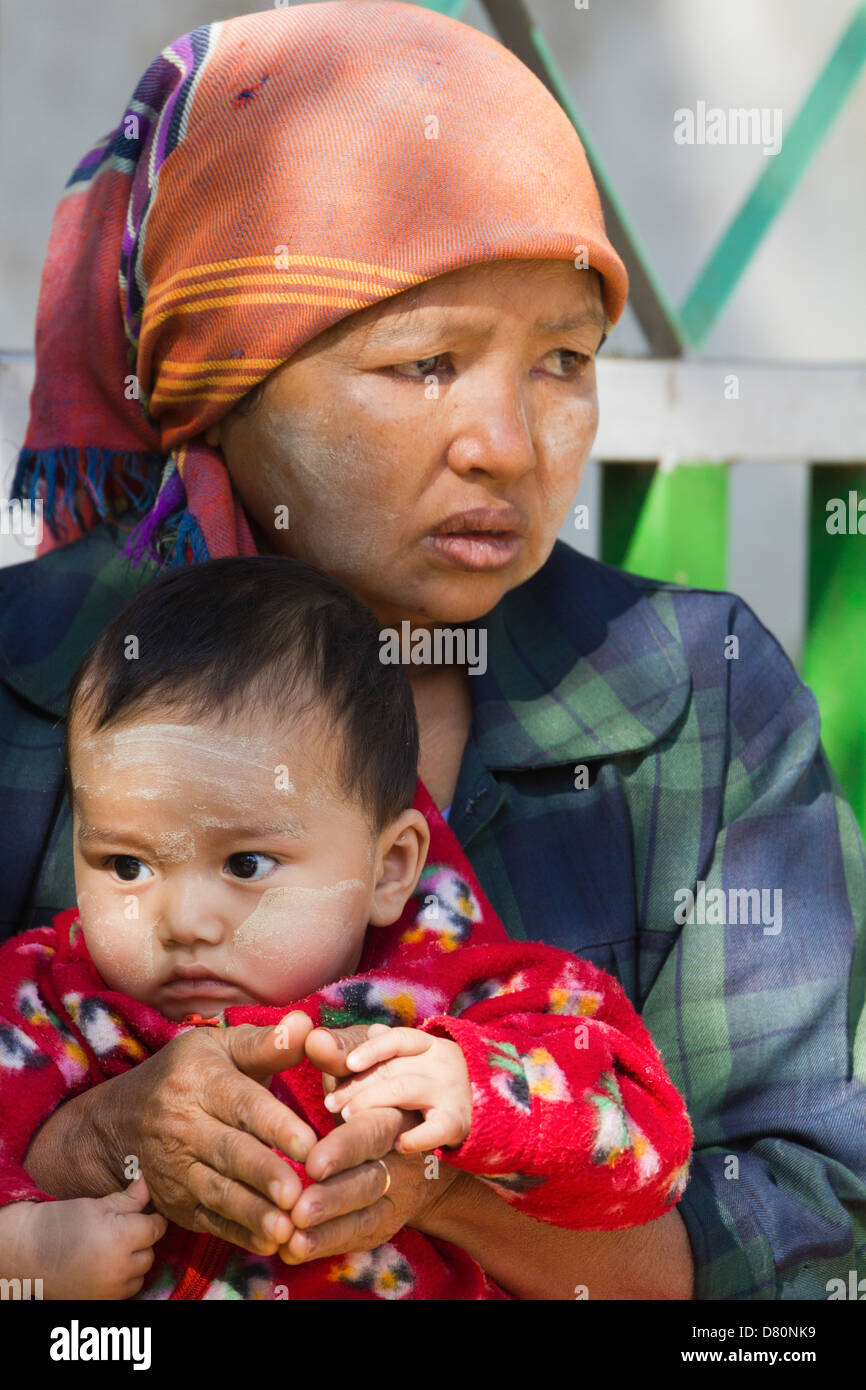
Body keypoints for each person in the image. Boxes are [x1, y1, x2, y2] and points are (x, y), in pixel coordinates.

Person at [1, 2, 864, 1302]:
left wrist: (448, 1183)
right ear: (229, 384)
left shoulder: (696, 698)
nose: (507, 447)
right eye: (422, 365)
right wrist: (96, 1135)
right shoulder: (23, 674)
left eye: (562, 360)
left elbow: (794, 1242)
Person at [0, 553, 692, 1299]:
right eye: (128, 866)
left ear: (389, 868)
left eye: (246, 864)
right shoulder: (48, 1003)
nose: (184, 921)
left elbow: (650, 1146)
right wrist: (26, 1251)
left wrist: (485, 1091)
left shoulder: (460, 999)